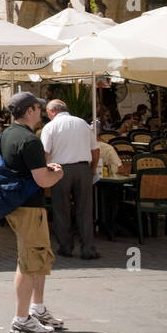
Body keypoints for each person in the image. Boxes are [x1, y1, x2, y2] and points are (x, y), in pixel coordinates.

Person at [0, 93, 67, 333]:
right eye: (38, 108)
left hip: (16, 203)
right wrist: (57, 173)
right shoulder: (30, 140)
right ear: (30, 110)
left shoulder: (7, 134)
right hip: (29, 207)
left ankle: (36, 309)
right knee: (29, 262)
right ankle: (21, 318)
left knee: (38, 258)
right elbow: (42, 179)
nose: (41, 112)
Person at [41, 99, 100, 260]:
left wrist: (44, 172)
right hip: (83, 168)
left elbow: (45, 153)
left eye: (47, 112)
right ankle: (88, 249)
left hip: (59, 170)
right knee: (85, 210)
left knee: (61, 210)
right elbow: (96, 150)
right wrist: (92, 170)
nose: (47, 115)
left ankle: (66, 247)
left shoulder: (50, 127)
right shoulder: (82, 123)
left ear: (52, 111)